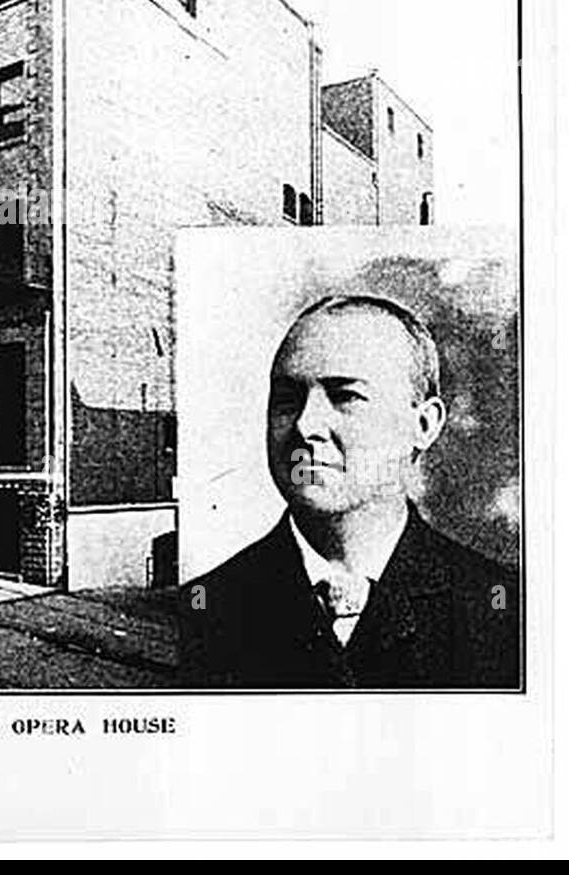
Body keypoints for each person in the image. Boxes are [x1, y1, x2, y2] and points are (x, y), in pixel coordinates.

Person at [179, 294, 520, 689]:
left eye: (345, 396)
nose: (306, 425)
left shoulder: (506, 612)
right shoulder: (205, 611)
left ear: (423, 425)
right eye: (287, 399)